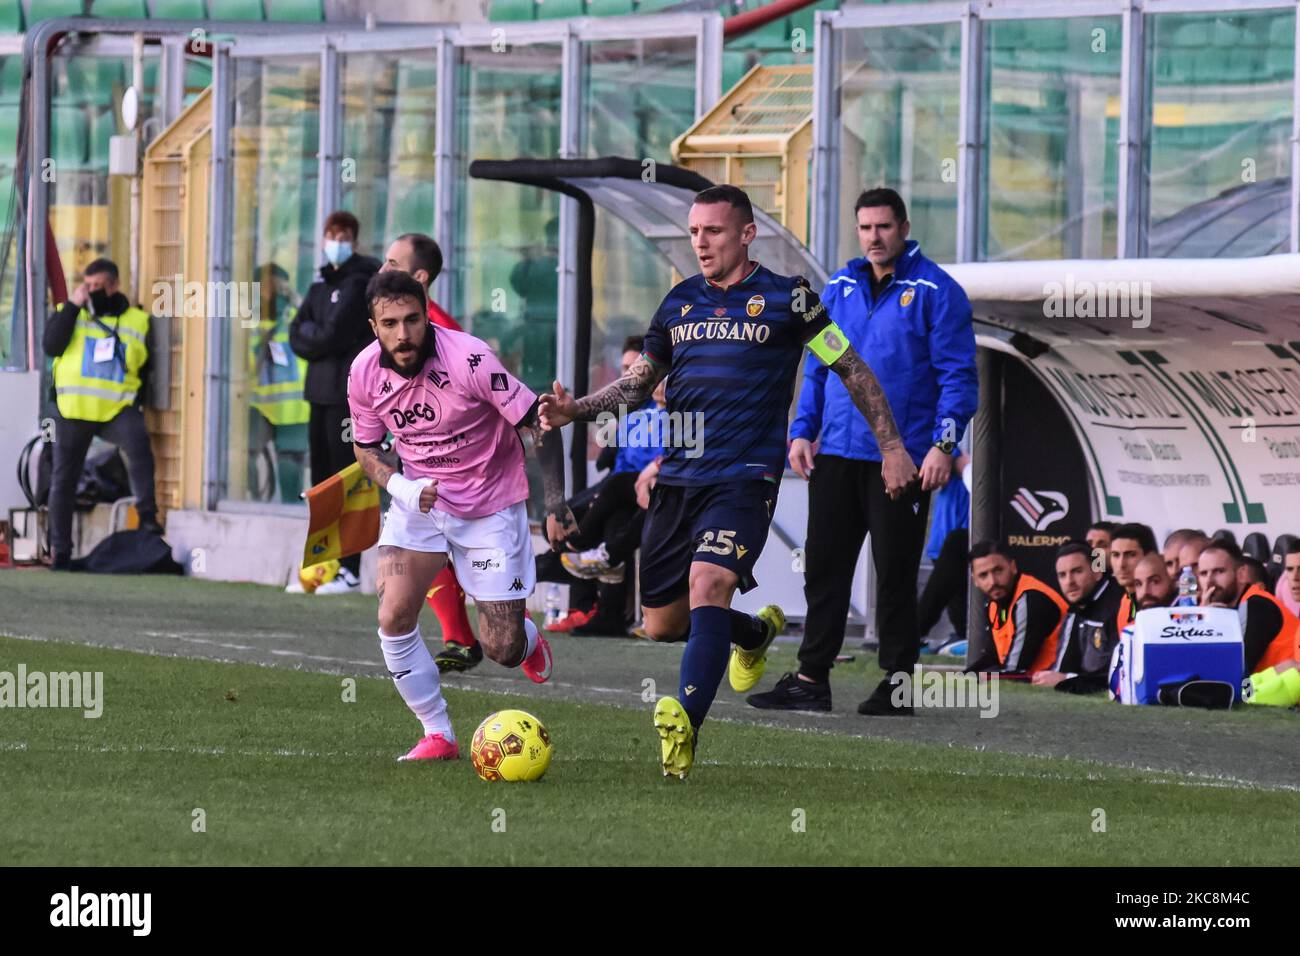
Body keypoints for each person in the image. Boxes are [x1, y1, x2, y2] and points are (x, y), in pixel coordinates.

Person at [539, 184, 916, 777]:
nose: (700, 242)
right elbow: (637, 386)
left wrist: (892, 446)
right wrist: (575, 410)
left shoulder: (792, 299)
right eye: (694, 232)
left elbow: (850, 367)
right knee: (663, 625)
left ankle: (685, 726)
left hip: (745, 478)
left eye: (712, 231)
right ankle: (752, 632)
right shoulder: (678, 302)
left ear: (746, 234)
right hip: (679, 477)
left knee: (709, 582)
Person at [748, 186, 978, 717]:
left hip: (904, 458)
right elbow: (822, 364)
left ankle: (897, 686)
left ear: (903, 227)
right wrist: (802, 430)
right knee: (824, 569)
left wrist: (944, 446)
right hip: (838, 453)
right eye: (865, 228)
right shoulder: (841, 286)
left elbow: (958, 378)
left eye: (883, 227)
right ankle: (811, 679)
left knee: (894, 574)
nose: (874, 237)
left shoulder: (937, 290)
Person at [346, 271, 573, 761]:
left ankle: (527, 640)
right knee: (393, 614)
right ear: (373, 326)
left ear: (427, 314)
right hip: (419, 504)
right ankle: (438, 733)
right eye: (390, 324)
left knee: (501, 648)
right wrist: (403, 488)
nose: (403, 334)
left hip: (491, 505)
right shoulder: (364, 373)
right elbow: (366, 451)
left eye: (412, 320)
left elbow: (538, 420)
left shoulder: (469, 358)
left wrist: (554, 501)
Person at [378, 232, 479, 671]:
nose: (383, 270)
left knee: (469, 551)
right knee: (419, 542)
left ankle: (517, 632)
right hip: (416, 457)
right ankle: (459, 638)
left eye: (393, 263)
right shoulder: (391, 318)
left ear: (419, 277)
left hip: (456, 464)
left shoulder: (439, 329)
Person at [43, 257, 161, 569]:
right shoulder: (70, 314)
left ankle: (148, 519)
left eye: (98, 286)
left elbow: (148, 368)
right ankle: (61, 552)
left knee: (139, 446)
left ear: (114, 285)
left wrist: (139, 403)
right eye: (88, 285)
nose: (91, 290)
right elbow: (51, 346)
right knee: (63, 478)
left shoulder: (137, 320)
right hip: (73, 410)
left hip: (116, 408)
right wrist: (72, 305)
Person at [289, 210, 381, 594]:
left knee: (348, 478)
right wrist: (316, 336)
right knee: (321, 482)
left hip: (348, 399)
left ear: (354, 240)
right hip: (318, 396)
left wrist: (316, 336)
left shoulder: (361, 282)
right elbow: (296, 332)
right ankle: (323, 562)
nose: (335, 241)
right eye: (330, 234)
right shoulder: (319, 285)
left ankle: (351, 568)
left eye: (342, 235)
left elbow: (331, 335)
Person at [249, 263, 309, 503]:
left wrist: (294, 298)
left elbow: (315, 320)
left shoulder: (294, 314)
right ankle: (256, 500)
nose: (268, 291)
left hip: (291, 405)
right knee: (245, 455)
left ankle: (290, 507)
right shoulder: (248, 318)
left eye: (274, 284)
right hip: (258, 404)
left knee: (290, 462)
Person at [1032, 541, 1122, 693]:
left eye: (1077, 571)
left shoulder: (1118, 606)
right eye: (1062, 575)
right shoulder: (1075, 609)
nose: (1069, 582)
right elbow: (1062, 668)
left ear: (1097, 572)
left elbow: (1120, 677)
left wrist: (1067, 679)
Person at [1197, 541, 1299, 675]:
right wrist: (1203, 619)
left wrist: (1204, 627)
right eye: (1203, 574)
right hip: (1269, 689)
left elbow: (1238, 671)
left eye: (1219, 571)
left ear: (1241, 574)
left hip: (1288, 692)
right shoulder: (1229, 609)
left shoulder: (1257, 605)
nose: (1209, 581)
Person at [967, 540, 1066, 675]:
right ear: (975, 581)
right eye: (983, 575)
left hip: (1055, 681)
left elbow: (1014, 670)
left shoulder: (1031, 599)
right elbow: (994, 657)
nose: (993, 581)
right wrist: (959, 679)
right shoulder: (993, 605)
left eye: (998, 571)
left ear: (1013, 567)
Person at [1109, 522, 1157, 636]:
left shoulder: (1161, 600)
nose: (1121, 564)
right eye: (1115, 555)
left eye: (1131, 555)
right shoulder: (1124, 601)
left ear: (1149, 556)